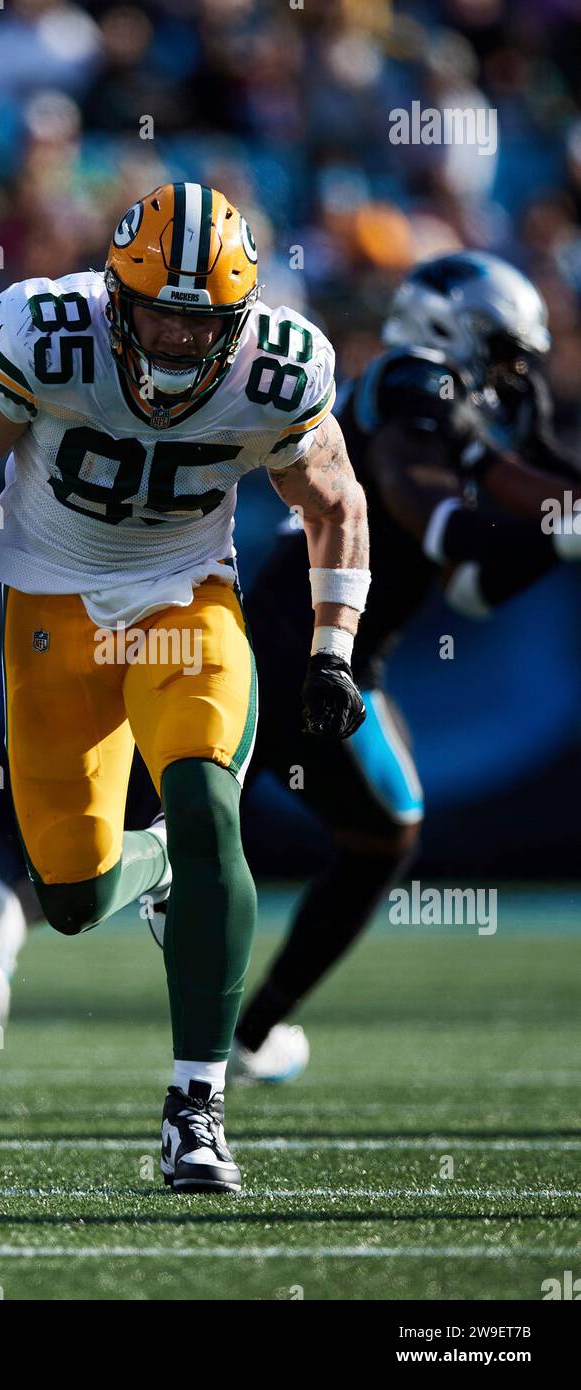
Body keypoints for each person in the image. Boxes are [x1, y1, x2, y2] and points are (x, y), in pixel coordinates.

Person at [0, 183, 370, 1191]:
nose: (169, 335)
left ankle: (193, 1106)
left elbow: (334, 502)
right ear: (113, 295)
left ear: (238, 321)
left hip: (183, 603)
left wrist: (332, 646)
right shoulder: (45, 332)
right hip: (49, 610)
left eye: (196, 319)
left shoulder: (277, 369)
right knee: (70, 898)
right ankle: (154, 870)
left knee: (210, 807)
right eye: (154, 309)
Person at [231, 251, 581, 1083]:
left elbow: (475, 587)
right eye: (500, 349)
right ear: (450, 329)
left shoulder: (439, 405)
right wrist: (564, 511)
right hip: (306, 648)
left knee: (172, 829)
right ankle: (239, 1035)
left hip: (308, 648)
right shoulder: (412, 381)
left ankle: (242, 1031)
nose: (509, 373)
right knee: (361, 833)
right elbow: (446, 526)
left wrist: (560, 513)